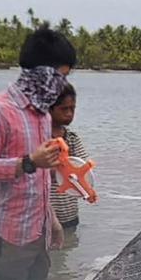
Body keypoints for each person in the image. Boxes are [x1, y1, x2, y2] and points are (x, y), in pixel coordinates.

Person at [0, 26, 76, 280]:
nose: (62, 86)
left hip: (38, 235)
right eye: (60, 77)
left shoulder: (41, 114)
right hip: (8, 240)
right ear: (41, 74)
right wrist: (29, 161)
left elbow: (40, 179)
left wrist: (51, 220)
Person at [47, 83, 91, 230]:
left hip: (70, 215)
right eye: (64, 109)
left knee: (67, 250)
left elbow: (84, 169)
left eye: (72, 109)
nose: (69, 113)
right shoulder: (40, 140)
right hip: (44, 217)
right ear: (48, 109)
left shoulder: (72, 138)